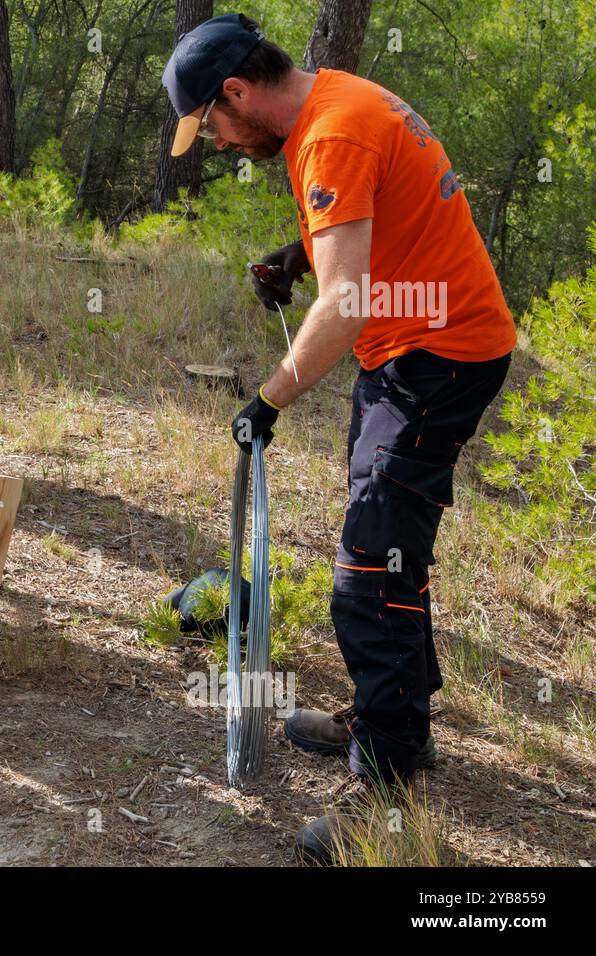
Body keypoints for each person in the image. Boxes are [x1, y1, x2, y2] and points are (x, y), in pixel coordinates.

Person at [163, 14, 515, 863]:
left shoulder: (331, 138)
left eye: (209, 123)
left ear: (236, 94)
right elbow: (368, 233)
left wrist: (268, 400)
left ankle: (387, 791)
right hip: (415, 346)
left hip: (438, 356)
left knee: (367, 570)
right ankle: (398, 713)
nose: (213, 141)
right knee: (393, 549)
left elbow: (347, 303)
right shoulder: (335, 105)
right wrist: (301, 254)